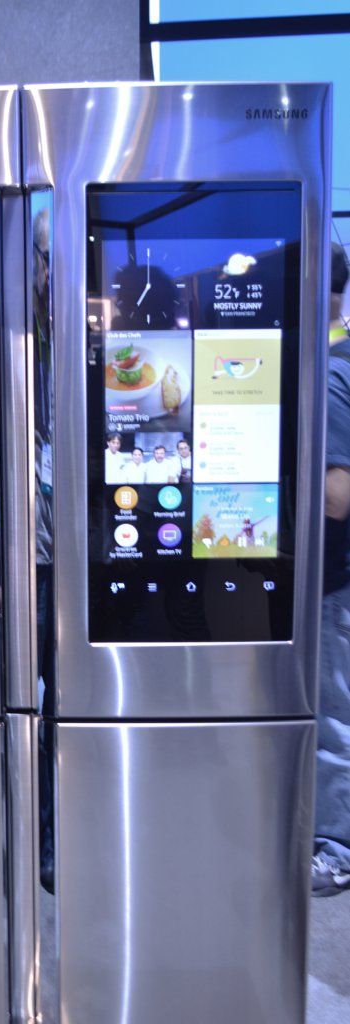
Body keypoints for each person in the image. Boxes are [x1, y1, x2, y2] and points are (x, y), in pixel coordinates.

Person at [312, 242, 350, 896]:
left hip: (330, 579)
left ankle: (335, 845)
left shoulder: (328, 373)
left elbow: (337, 495)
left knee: (330, 714)